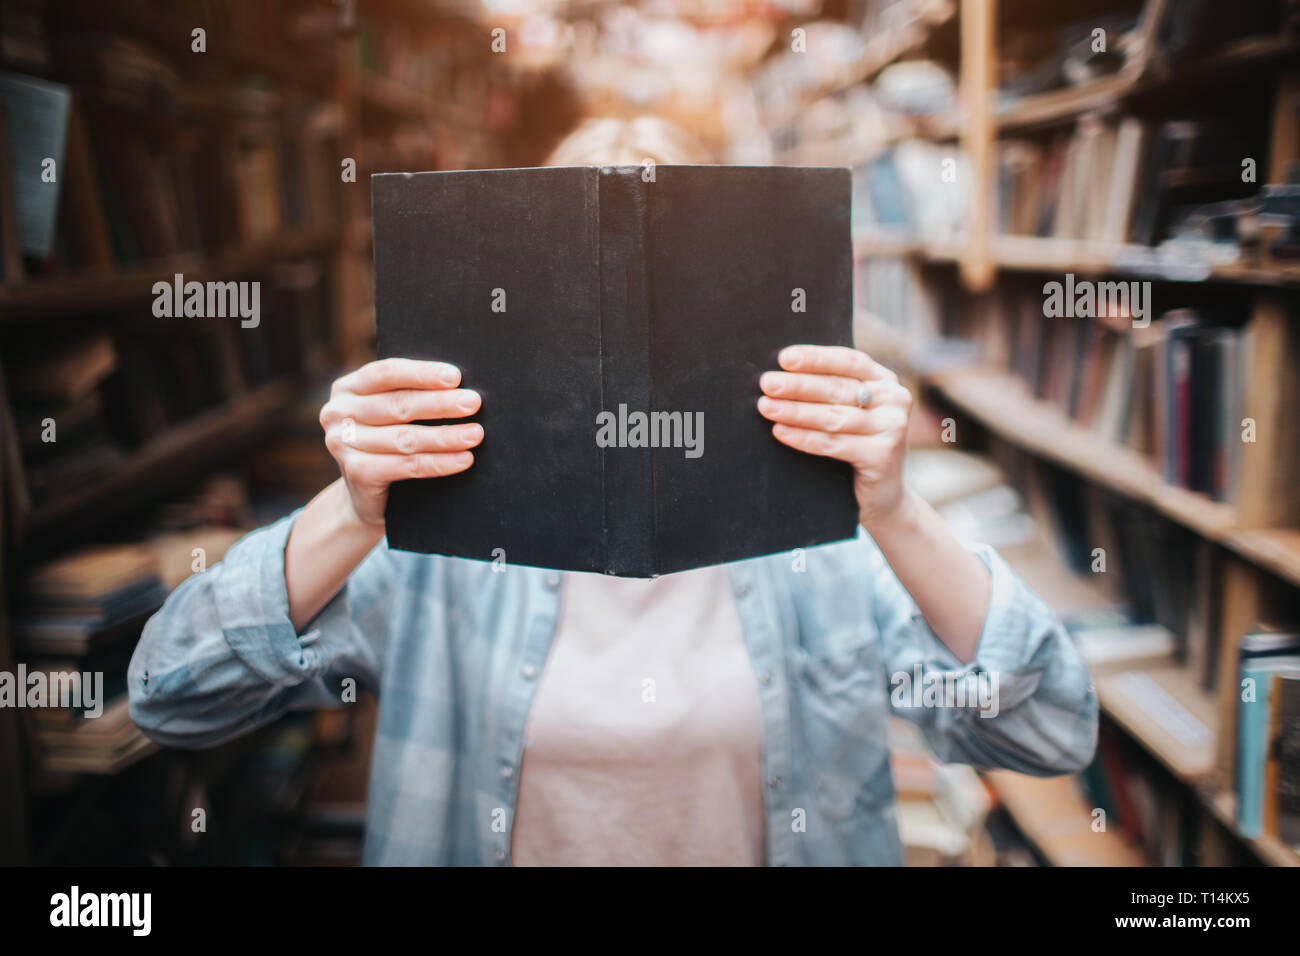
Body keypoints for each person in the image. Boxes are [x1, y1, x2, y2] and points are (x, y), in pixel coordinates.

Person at [128, 115, 1097, 866]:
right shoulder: (437, 547)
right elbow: (171, 693)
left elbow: (1050, 722)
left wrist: (894, 509)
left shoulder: (819, 539)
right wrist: (351, 510)